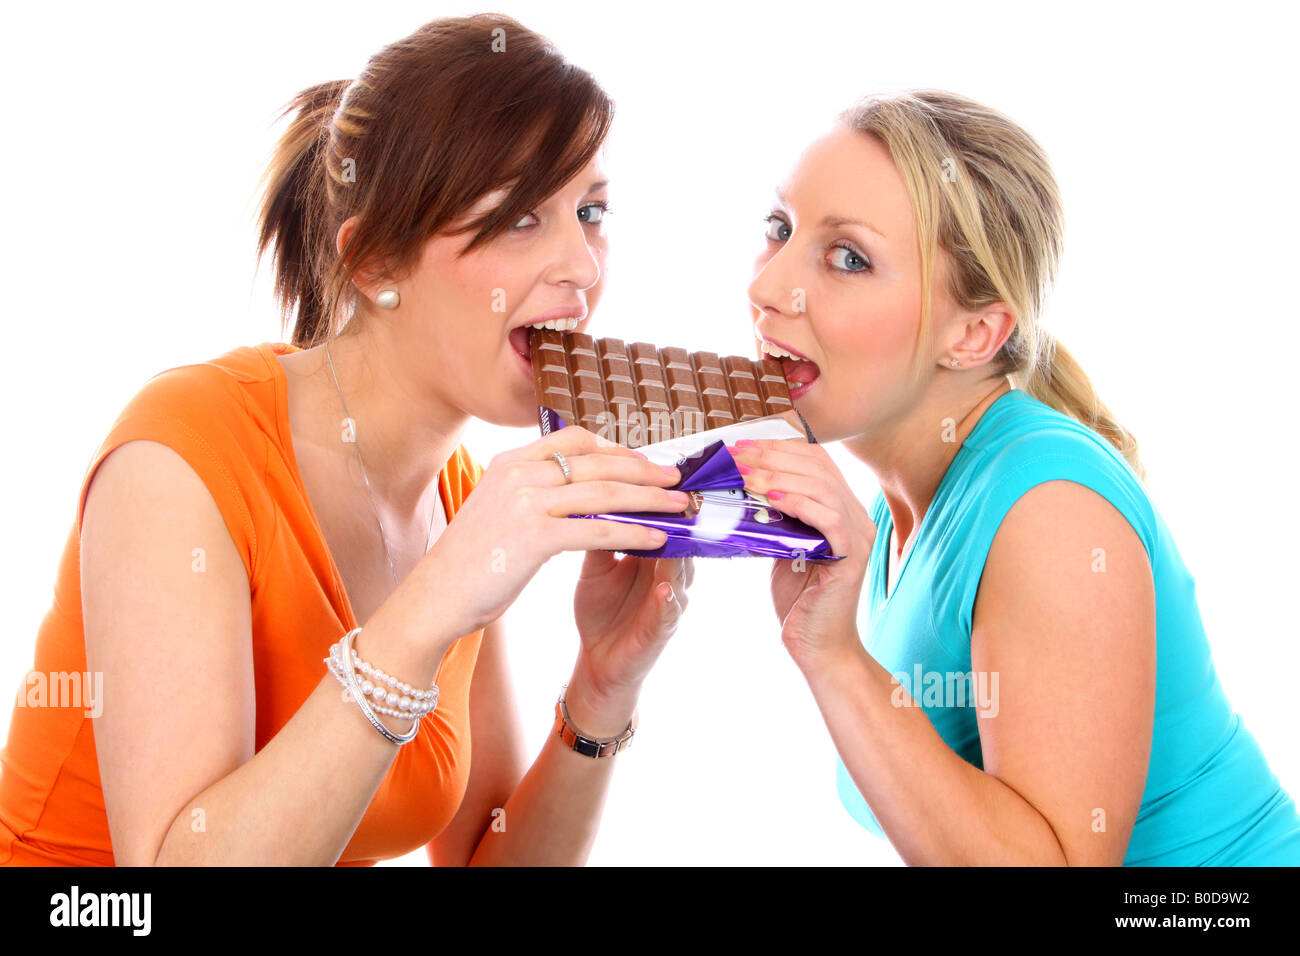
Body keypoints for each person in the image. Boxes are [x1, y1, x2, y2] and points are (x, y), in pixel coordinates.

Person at [0, 13, 693, 867]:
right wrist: (434, 602)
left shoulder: (461, 500)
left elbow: (486, 856)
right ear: (373, 264)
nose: (584, 268)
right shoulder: (180, 458)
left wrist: (601, 691)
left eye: (589, 210)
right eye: (519, 216)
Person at [729, 89, 1300, 865]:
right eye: (780, 230)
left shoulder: (1049, 511)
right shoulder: (895, 508)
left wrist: (835, 657)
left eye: (849, 258)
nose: (767, 290)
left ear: (972, 335)